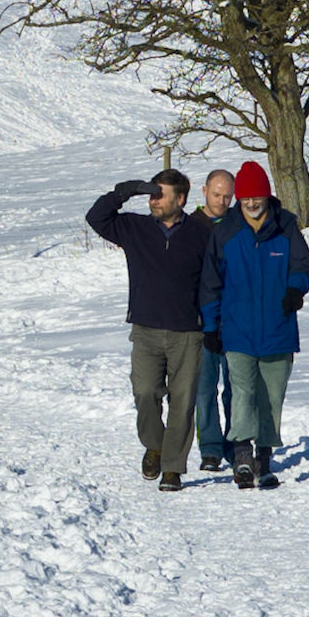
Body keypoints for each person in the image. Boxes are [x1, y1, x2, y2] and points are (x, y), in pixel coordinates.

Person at [86, 168, 214, 490]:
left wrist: (212, 323)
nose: (153, 201)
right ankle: (154, 445)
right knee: (145, 393)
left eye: (160, 195)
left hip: (187, 332)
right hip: (145, 329)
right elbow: (96, 218)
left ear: (181, 199)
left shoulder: (202, 234)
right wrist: (124, 191)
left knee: (183, 401)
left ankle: (172, 466)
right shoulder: (135, 228)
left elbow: (215, 281)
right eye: (151, 194)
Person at [205, 159, 309, 488]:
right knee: (242, 393)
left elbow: (303, 264)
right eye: (245, 198)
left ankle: (264, 459)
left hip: (278, 330)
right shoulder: (225, 232)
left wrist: (296, 289)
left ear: (268, 196)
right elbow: (210, 283)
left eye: (257, 197)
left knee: (271, 397)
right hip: (237, 331)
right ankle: (241, 455)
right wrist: (211, 326)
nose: (251, 203)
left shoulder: (285, 226)